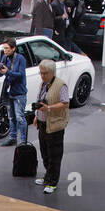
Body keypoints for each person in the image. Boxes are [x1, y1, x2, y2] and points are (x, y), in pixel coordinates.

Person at [32, 59, 70, 195]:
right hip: (43, 124)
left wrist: (48, 108)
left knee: (55, 155)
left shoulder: (61, 85)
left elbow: (65, 103)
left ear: (52, 72)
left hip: (55, 126)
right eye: (40, 73)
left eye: (45, 73)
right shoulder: (43, 84)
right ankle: (47, 176)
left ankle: (53, 182)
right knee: (45, 153)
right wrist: (37, 115)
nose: (42, 76)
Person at [0, 37, 29, 147]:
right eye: (4, 48)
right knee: (11, 117)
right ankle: (12, 138)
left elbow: (20, 75)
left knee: (20, 117)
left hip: (19, 92)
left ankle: (23, 141)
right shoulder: (5, 57)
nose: (5, 51)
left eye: (7, 48)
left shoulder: (20, 58)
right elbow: (0, 74)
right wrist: (0, 70)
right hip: (9, 92)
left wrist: (8, 72)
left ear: (14, 48)